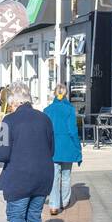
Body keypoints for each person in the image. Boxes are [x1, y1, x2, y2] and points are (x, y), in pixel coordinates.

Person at [0, 82, 55, 222]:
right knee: (34, 217)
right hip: (44, 176)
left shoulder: (7, 121)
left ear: (13, 102)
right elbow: (51, 149)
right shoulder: (45, 119)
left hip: (19, 177)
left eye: (10, 104)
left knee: (15, 216)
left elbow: (0, 154)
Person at [43, 83, 83, 215]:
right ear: (66, 94)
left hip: (53, 148)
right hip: (68, 147)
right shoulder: (70, 110)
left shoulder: (47, 110)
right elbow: (73, 131)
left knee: (55, 177)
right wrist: (78, 148)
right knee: (66, 176)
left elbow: (45, 131)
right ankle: (64, 202)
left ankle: (53, 205)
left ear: (54, 93)